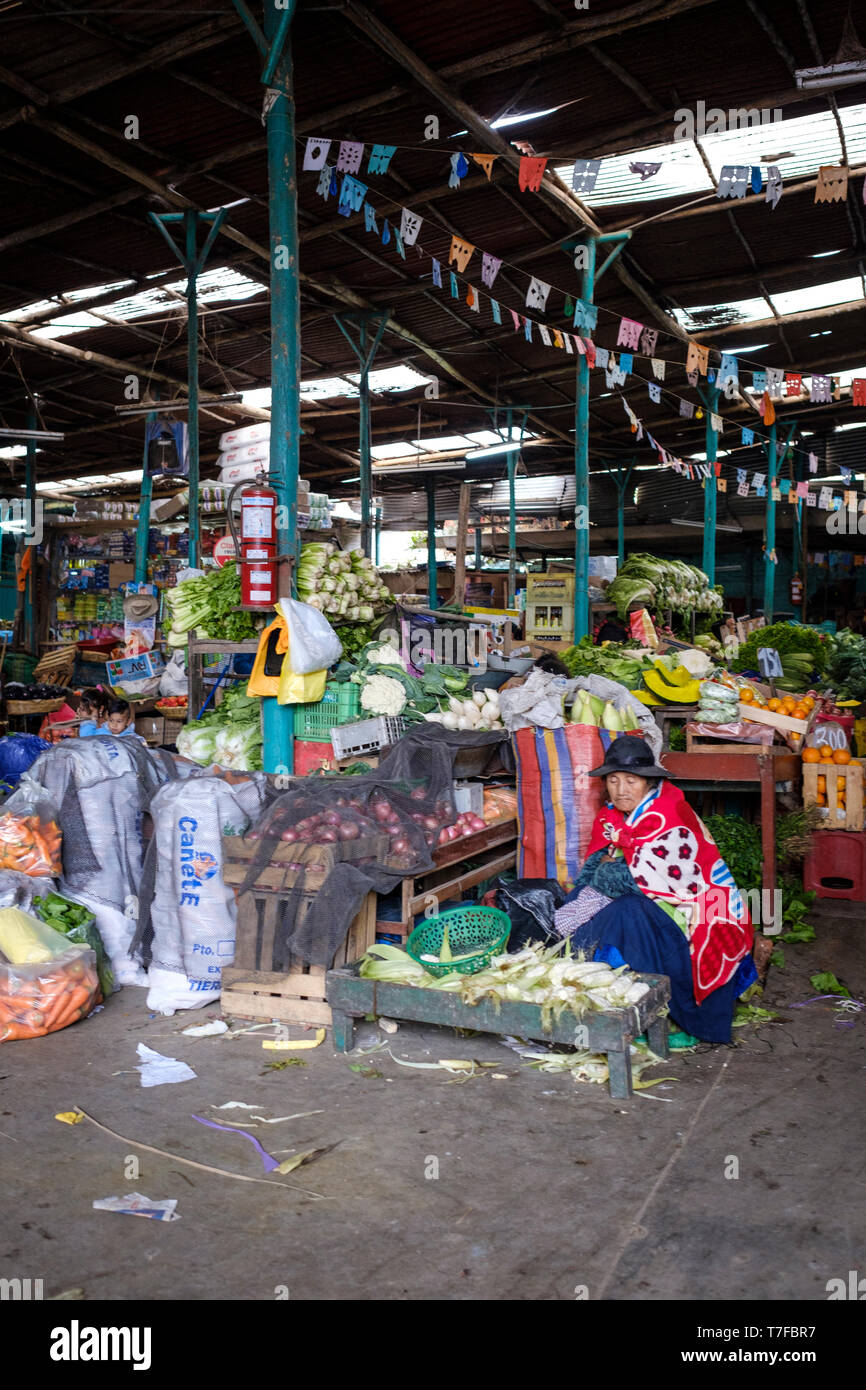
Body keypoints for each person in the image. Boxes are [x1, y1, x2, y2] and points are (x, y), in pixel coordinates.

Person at [557, 736, 757, 1044]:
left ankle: (666, 1012)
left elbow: (649, 881)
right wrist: (609, 871)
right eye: (613, 780)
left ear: (649, 782)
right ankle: (601, 995)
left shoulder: (668, 815)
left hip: (699, 914)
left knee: (627, 913)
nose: (621, 789)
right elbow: (599, 871)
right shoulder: (612, 815)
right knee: (587, 904)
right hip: (658, 906)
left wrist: (611, 869)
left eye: (631, 780)